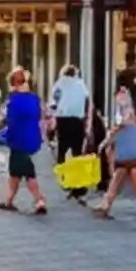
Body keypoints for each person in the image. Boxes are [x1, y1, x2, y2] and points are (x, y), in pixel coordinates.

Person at [0, 68, 47, 215]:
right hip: (33, 139)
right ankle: (9, 201)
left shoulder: (11, 102)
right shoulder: (35, 100)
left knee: (28, 172)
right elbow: (42, 118)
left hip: (18, 140)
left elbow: (0, 122)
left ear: (13, 83)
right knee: (15, 172)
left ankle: (40, 201)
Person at [93, 68, 136, 221]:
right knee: (124, 170)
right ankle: (107, 203)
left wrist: (109, 137)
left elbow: (124, 120)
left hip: (128, 138)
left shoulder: (123, 96)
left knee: (132, 169)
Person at [49, 64, 91, 203]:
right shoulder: (81, 84)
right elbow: (87, 101)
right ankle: (77, 186)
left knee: (62, 148)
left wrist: (52, 118)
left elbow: (54, 102)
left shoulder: (59, 84)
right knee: (77, 151)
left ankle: (65, 178)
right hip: (77, 120)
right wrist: (86, 120)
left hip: (63, 119)